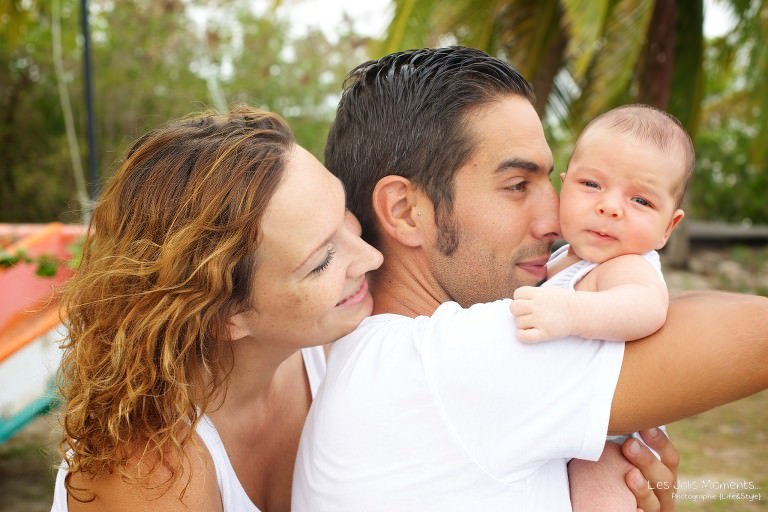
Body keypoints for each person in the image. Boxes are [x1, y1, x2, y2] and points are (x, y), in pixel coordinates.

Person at [292, 46, 768, 511]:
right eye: (518, 186)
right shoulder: (449, 364)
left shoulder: (383, 357)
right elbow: (755, 334)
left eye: (551, 181)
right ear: (406, 211)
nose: (556, 220)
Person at [51, 106, 384, 512]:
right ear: (225, 315)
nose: (371, 258)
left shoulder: (336, 342)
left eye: (346, 218)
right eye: (322, 261)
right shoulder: (149, 471)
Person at [511, 104, 693, 511]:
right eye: (591, 184)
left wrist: (571, 313)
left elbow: (646, 307)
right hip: (566, 420)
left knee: (604, 494)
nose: (610, 206)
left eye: (641, 200)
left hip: (614, 439)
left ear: (668, 226)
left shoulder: (626, 265)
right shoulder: (561, 260)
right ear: (563, 184)